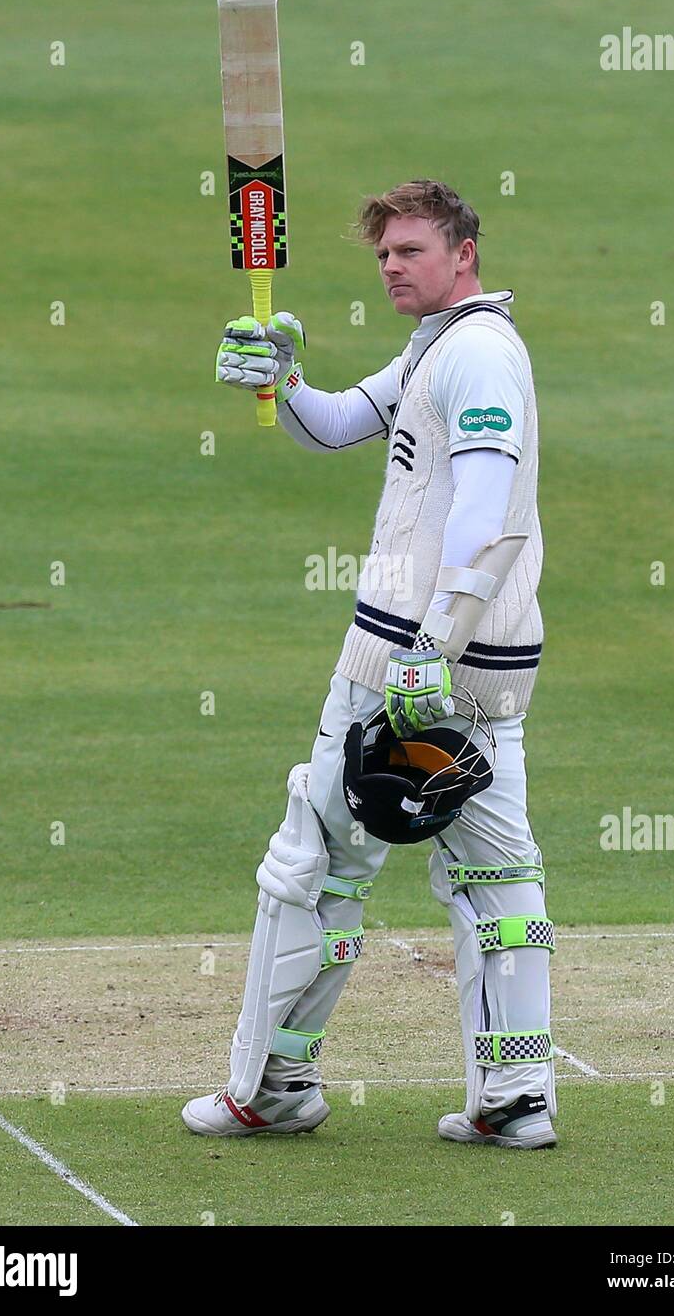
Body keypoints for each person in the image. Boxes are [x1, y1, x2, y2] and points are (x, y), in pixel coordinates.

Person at [182, 179, 556, 1148]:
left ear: (462, 250)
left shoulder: (472, 355)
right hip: (492, 658)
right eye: (383, 253)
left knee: (318, 864)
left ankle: (274, 1088)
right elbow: (341, 421)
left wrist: (428, 642)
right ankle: (516, 1097)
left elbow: (484, 502)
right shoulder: (447, 343)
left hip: (408, 654)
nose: (393, 266)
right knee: (497, 876)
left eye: (411, 250)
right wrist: (279, 378)